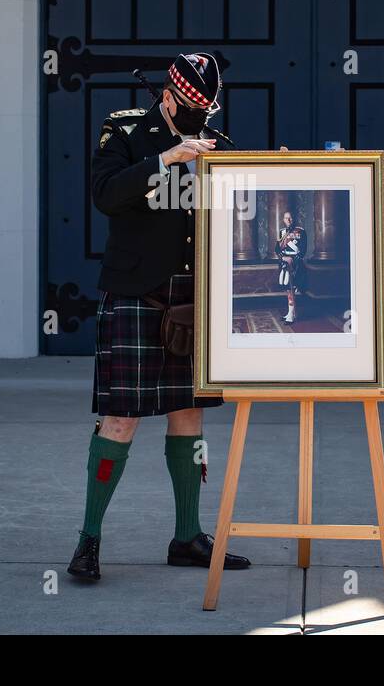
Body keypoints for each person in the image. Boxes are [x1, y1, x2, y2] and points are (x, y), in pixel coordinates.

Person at [67, 53, 251, 582]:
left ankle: (188, 537)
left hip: (194, 298)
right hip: (135, 294)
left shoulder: (216, 148)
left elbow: (242, 208)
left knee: (189, 415)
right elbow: (106, 194)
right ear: (168, 97)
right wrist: (168, 157)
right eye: (191, 107)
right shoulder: (124, 130)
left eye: (207, 109)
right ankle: (88, 540)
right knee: (120, 418)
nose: (200, 118)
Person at [275, 210, 306, 323]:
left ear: (294, 219)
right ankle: (291, 312)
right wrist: (283, 258)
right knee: (288, 289)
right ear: (283, 220)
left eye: (290, 218)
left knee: (291, 288)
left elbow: (303, 250)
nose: (288, 220)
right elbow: (277, 249)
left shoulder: (301, 232)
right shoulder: (281, 232)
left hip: (295, 263)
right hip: (284, 262)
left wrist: (293, 260)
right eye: (286, 218)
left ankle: (291, 315)